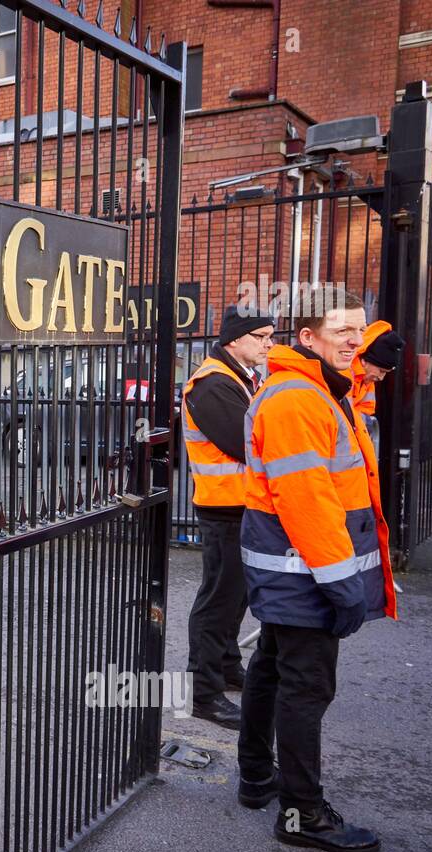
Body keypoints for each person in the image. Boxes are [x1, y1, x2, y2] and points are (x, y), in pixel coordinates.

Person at [236, 290, 397, 852]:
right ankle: (302, 814)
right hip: (305, 571)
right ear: (307, 338)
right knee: (307, 687)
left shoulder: (324, 391)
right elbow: (309, 502)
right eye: (342, 331)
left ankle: (258, 775)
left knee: (273, 667)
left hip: (295, 568)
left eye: (360, 330)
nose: (356, 340)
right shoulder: (300, 399)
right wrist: (343, 585)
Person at [182, 305, 275, 730]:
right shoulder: (213, 384)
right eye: (262, 336)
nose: (269, 344)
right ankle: (203, 693)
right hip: (225, 508)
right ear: (236, 340)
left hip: (242, 505)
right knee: (218, 599)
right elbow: (250, 444)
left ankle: (226, 666)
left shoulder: (238, 378)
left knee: (236, 595)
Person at [347, 320, 404, 457]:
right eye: (381, 370)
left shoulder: (365, 379)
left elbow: (365, 412)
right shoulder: (346, 374)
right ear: (364, 361)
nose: (381, 377)